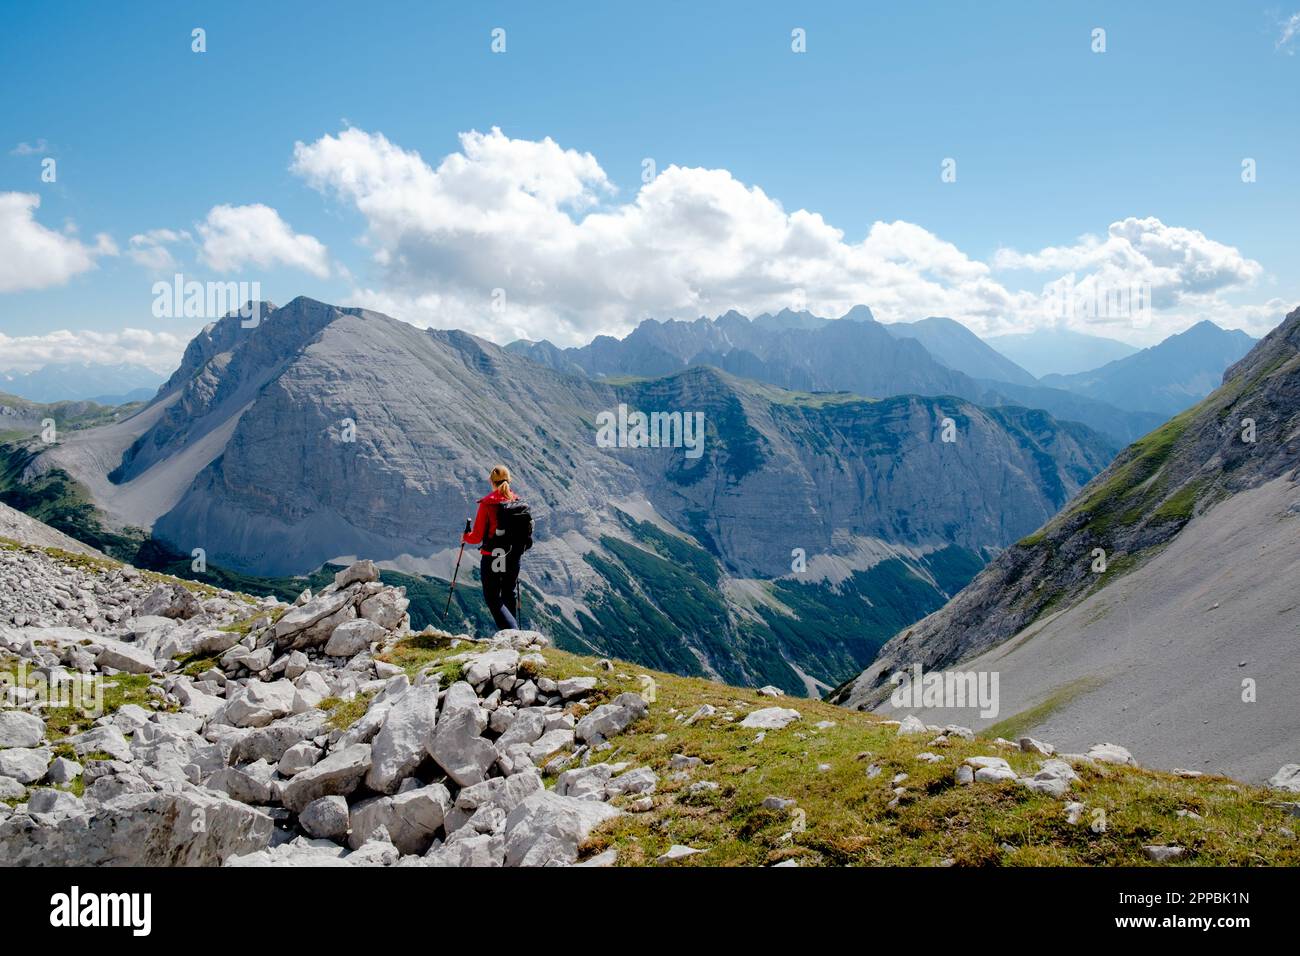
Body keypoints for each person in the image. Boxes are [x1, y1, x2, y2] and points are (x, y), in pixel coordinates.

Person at [462, 464, 524, 631]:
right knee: (508, 593)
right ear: (509, 481)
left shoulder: (488, 503)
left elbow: (476, 537)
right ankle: (514, 637)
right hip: (513, 556)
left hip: (494, 556)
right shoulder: (516, 501)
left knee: (492, 597)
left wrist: (465, 536)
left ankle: (513, 634)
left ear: (491, 481)